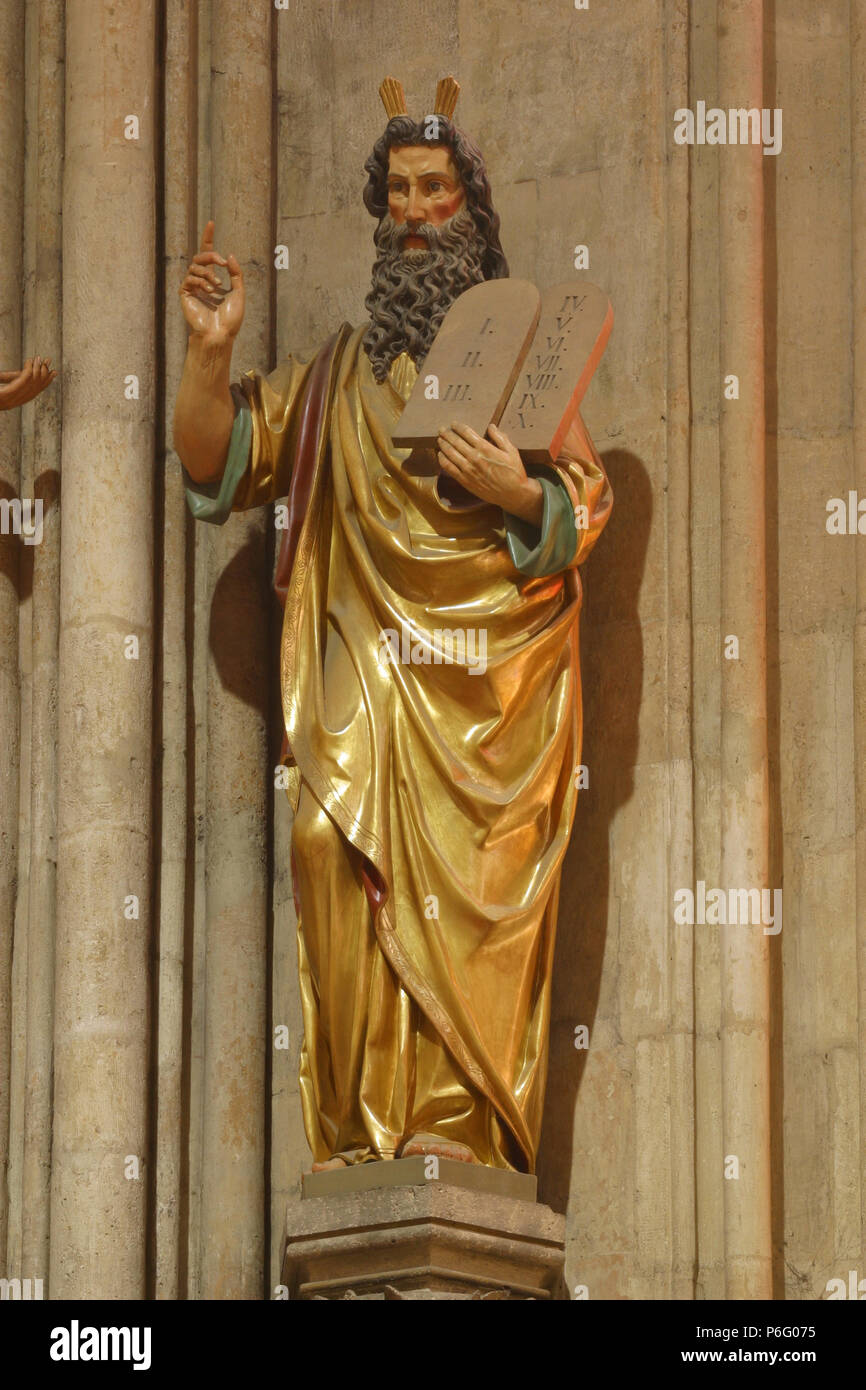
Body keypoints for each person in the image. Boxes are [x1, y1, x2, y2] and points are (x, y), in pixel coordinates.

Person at [173, 77, 612, 1173]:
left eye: (434, 190)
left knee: (466, 900)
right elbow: (214, 459)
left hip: (481, 694)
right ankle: (359, 1133)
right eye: (398, 195)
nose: (414, 213)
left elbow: (583, 502)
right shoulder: (330, 378)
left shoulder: (518, 358)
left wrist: (518, 496)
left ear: (469, 208)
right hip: (361, 677)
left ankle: (456, 1134)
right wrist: (209, 352)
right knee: (323, 844)